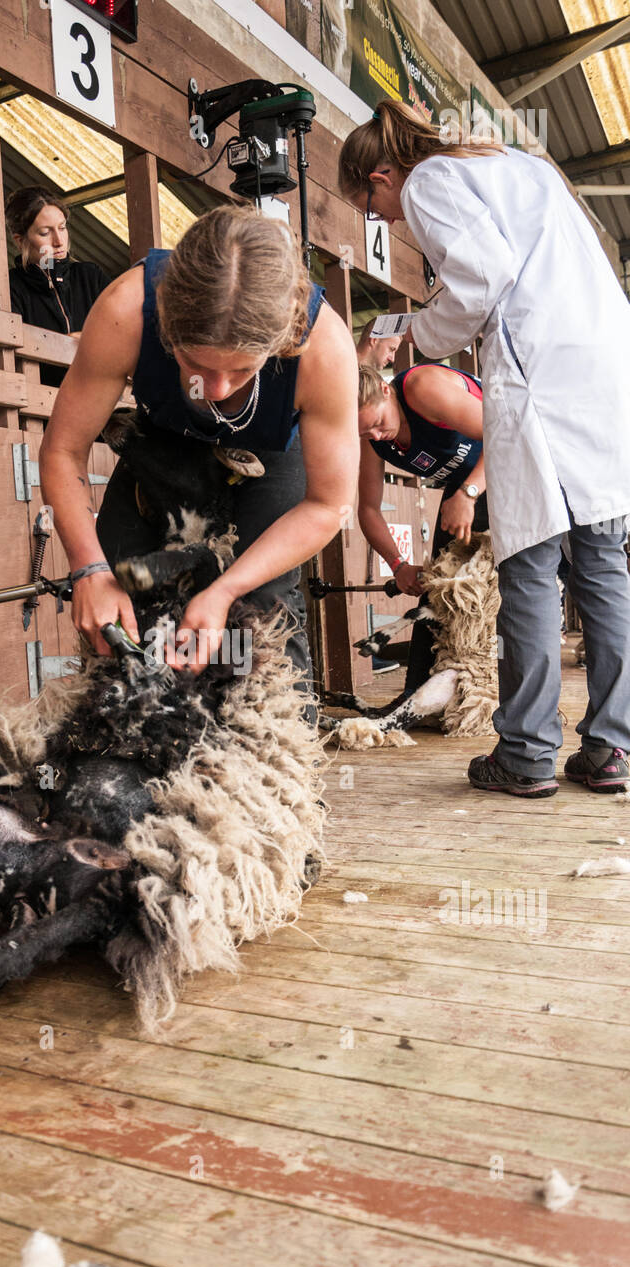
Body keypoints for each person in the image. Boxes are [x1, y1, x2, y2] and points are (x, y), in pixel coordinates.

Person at [339, 100, 630, 796]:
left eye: (374, 204)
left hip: (537, 374)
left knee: (527, 564)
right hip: (600, 365)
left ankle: (527, 752)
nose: (388, 218)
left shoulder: (429, 179)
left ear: (382, 173)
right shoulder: (516, 166)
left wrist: (417, 335)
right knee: (600, 560)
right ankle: (612, 747)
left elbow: (479, 276)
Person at [37, 204, 360, 702]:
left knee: (260, 608)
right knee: (124, 583)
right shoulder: (127, 310)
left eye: (242, 370)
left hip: (270, 453)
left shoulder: (325, 349)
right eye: (196, 363)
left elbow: (329, 505)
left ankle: (272, 756)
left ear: (282, 342)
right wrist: (88, 569)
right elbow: (63, 449)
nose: (216, 389)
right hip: (165, 436)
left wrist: (225, 589)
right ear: (166, 318)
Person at [357, 360, 486, 692]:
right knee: (439, 593)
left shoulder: (422, 388)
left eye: (377, 423)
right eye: (363, 432)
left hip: (512, 464)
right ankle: (421, 697)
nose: (374, 435)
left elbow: (508, 433)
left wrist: (468, 494)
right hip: (463, 487)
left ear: (386, 390)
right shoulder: (370, 435)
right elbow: (369, 509)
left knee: (499, 591)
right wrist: (398, 565)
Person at [5, 186, 110, 385]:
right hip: (42, 404)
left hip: (103, 398)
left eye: (62, 228)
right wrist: (64, 345)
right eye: (45, 233)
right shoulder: (11, 287)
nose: (59, 241)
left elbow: (124, 326)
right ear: (20, 241)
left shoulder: (90, 276)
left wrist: (88, 337)